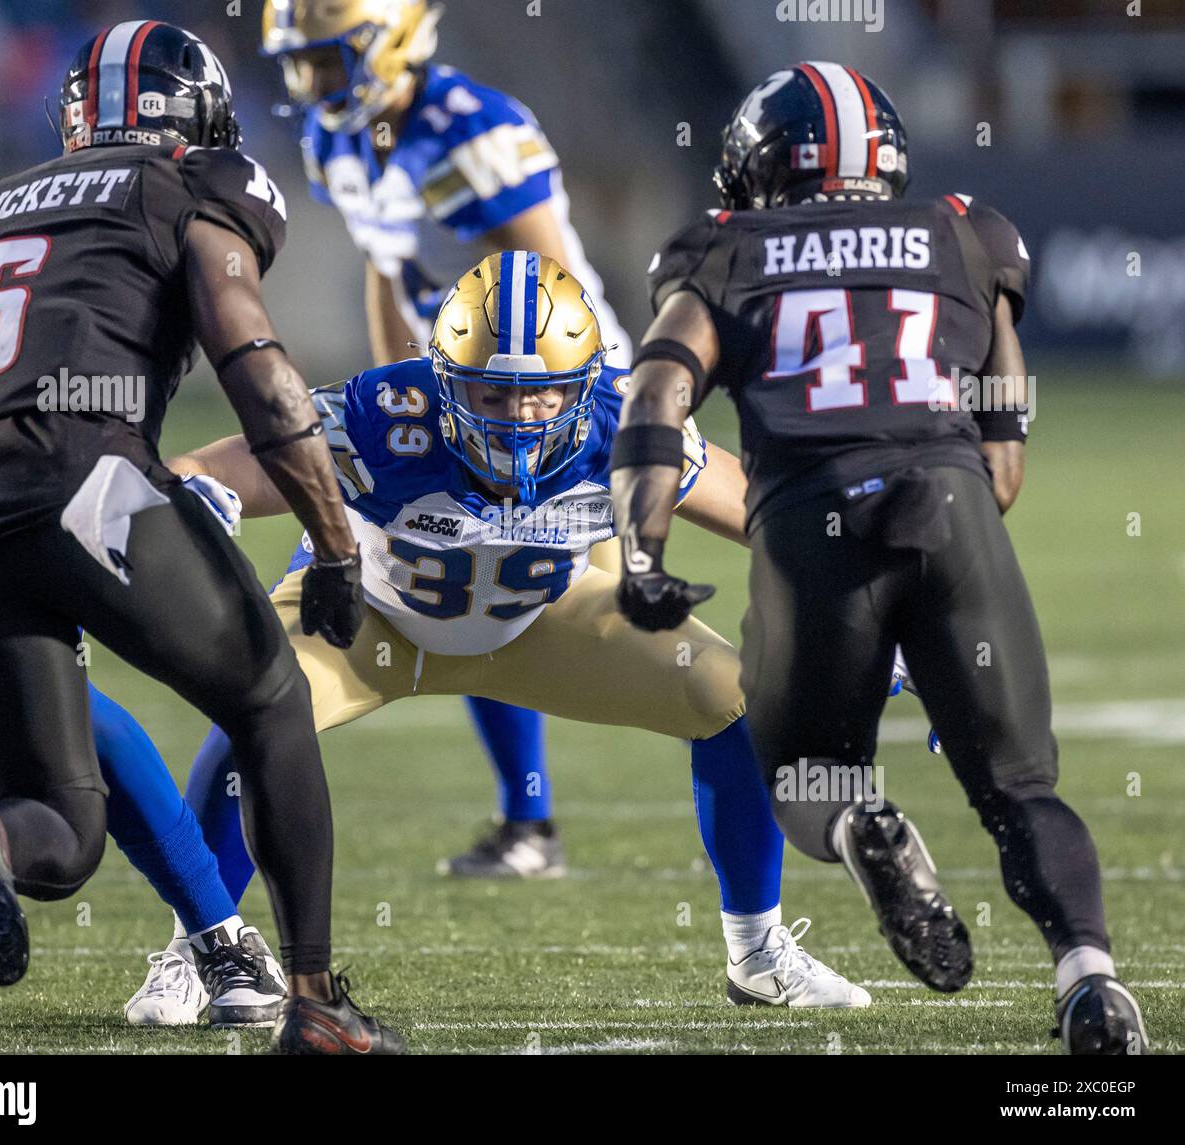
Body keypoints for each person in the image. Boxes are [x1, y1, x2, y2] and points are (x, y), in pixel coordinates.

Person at [124, 251, 870, 1022]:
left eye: (543, 394)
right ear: (443, 382)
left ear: (583, 386)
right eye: (492, 392)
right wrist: (197, 500)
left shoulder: (623, 420)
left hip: (539, 621)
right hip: (371, 620)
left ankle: (758, 951)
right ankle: (200, 948)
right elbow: (206, 469)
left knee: (733, 697)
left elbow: (769, 516)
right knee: (256, 707)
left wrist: (874, 608)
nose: (517, 418)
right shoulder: (388, 417)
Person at [0, 21, 400, 1054]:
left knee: (56, 837)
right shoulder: (200, 181)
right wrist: (335, 543)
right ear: (198, 112)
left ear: (79, 115)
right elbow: (254, 360)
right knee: (268, 695)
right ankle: (315, 1004)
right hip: (85, 474)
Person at [611, 61, 1147, 1055]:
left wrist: (641, 551)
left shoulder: (722, 249)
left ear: (756, 168)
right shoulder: (961, 231)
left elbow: (654, 399)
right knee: (1022, 786)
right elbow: (1002, 447)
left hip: (808, 520)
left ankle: (860, 824)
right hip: (949, 505)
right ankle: (1090, 979)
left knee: (806, 777)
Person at [260, 0, 635, 878]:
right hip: (459, 390)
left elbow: (556, 286)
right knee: (461, 586)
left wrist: (548, 410)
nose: (315, 85)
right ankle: (530, 825)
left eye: (328, 61)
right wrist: (400, 396)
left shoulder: (471, 132)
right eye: (304, 65)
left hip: (552, 395)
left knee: (548, 602)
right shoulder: (342, 139)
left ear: (393, 40)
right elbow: (385, 264)